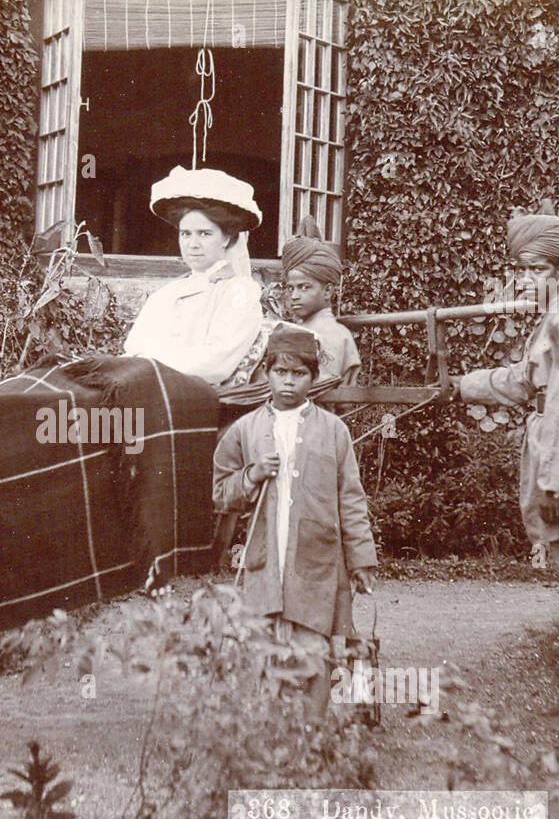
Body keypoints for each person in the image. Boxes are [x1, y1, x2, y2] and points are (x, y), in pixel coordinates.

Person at [454, 209, 559, 732]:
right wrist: (463, 385)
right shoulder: (555, 319)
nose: (524, 280)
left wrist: (557, 481)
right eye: (520, 270)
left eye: (533, 270)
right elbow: (527, 381)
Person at [213, 326, 377, 720]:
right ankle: (279, 737)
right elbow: (220, 492)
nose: (289, 381)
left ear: (314, 378)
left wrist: (361, 560)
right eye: (280, 372)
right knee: (270, 652)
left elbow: (351, 498)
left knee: (316, 650)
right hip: (266, 562)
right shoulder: (245, 429)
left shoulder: (334, 431)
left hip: (317, 561)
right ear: (266, 373)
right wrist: (251, 475)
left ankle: (313, 733)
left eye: (299, 373)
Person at [123, 167, 265, 387]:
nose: (193, 244)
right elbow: (133, 347)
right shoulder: (168, 293)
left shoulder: (239, 292)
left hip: (197, 394)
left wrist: (150, 363)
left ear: (226, 238)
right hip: (148, 382)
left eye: (205, 234)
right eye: (185, 234)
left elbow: (216, 364)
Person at [279, 219, 361, 385]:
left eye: (304, 287)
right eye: (290, 288)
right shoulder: (299, 329)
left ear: (328, 291)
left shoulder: (333, 335)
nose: (294, 296)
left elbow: (329, 395)